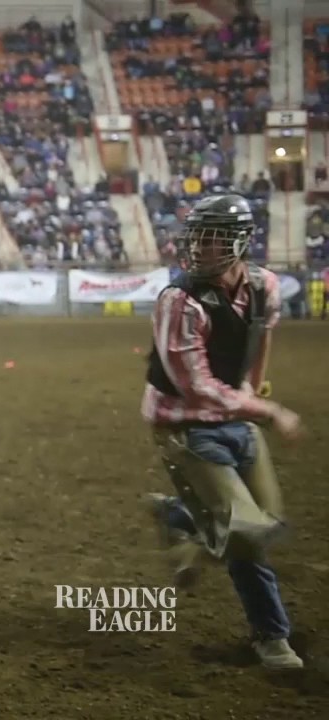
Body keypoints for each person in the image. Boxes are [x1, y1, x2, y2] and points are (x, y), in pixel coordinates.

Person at [141, 194, 304, 670]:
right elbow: (198, 388)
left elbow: (262, 330)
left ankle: (180, 517)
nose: (200, 249)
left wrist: (253, 386)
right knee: (249, 535)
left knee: (263, 523)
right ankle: (272, 637)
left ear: (240, 242)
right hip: (186, 425)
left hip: (237, 419)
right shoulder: (179, 301)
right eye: (198, 239)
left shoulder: (263, 286)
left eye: (213, 240)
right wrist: (266, 409)